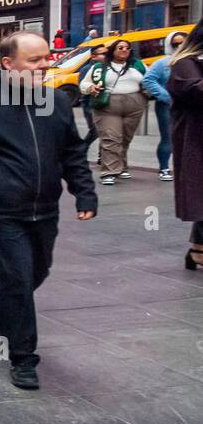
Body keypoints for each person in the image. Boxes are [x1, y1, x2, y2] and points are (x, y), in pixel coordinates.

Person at [0, 32, 98, 390]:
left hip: (45, 208)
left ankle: (1, 312)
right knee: (18, 277)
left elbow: (72, 153)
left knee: (37, 272)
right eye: (34, 61)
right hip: (1, 211)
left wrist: (84, 194)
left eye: (47, 58)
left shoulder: (57, 102)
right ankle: (24, 358)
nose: (44, 66)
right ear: (8, 64)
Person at [81, 38, 148, 185]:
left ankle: (122, 167)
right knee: (111, 138)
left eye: (127, 48)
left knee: (125, 138)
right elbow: (84, 84)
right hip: (107, 105)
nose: (124, 50)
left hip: (134, 104)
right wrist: (90, 88)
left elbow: (149, 80)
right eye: (120, 47)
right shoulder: (100, 67)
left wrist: (147, 90)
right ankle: (108, 171)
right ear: (113, 51)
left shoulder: (138, 65)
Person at [167, 20, 203, 271]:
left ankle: (196, 249)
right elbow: (195, 90)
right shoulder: (185, 63)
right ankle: (198, 250)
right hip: (197, 138)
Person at [141, 32, 187, 182]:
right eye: (176, 43)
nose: (180, 46)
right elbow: (148, 79)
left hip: (191, 105)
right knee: (168, 137)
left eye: (183, 42)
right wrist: (166, 96)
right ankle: (164, 167)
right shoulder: (163, 63)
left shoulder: (194, 60)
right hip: (168, 106)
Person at [76, 42, 109, 158]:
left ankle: (102, 154)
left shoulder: (108, 67)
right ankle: (81, 150)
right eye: (103, 53)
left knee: (105, 130)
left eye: (107, 53)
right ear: (93, 56)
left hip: (104, 104)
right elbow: (82, 87)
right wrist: (91, 88)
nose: (106, 55)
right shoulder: (87, 69)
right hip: (89, 104)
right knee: (96, 131)